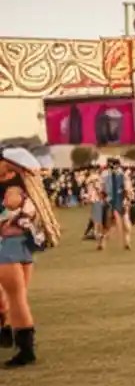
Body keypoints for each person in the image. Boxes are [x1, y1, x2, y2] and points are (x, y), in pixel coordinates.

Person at [0, 146, 61, 367]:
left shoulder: (12, 190)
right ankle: (10, 335)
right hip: (24, 245)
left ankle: (25, 350)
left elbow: (8, 208)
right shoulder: (27, 183)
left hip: (9, 245)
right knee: (17, 297)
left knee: (16, 299)